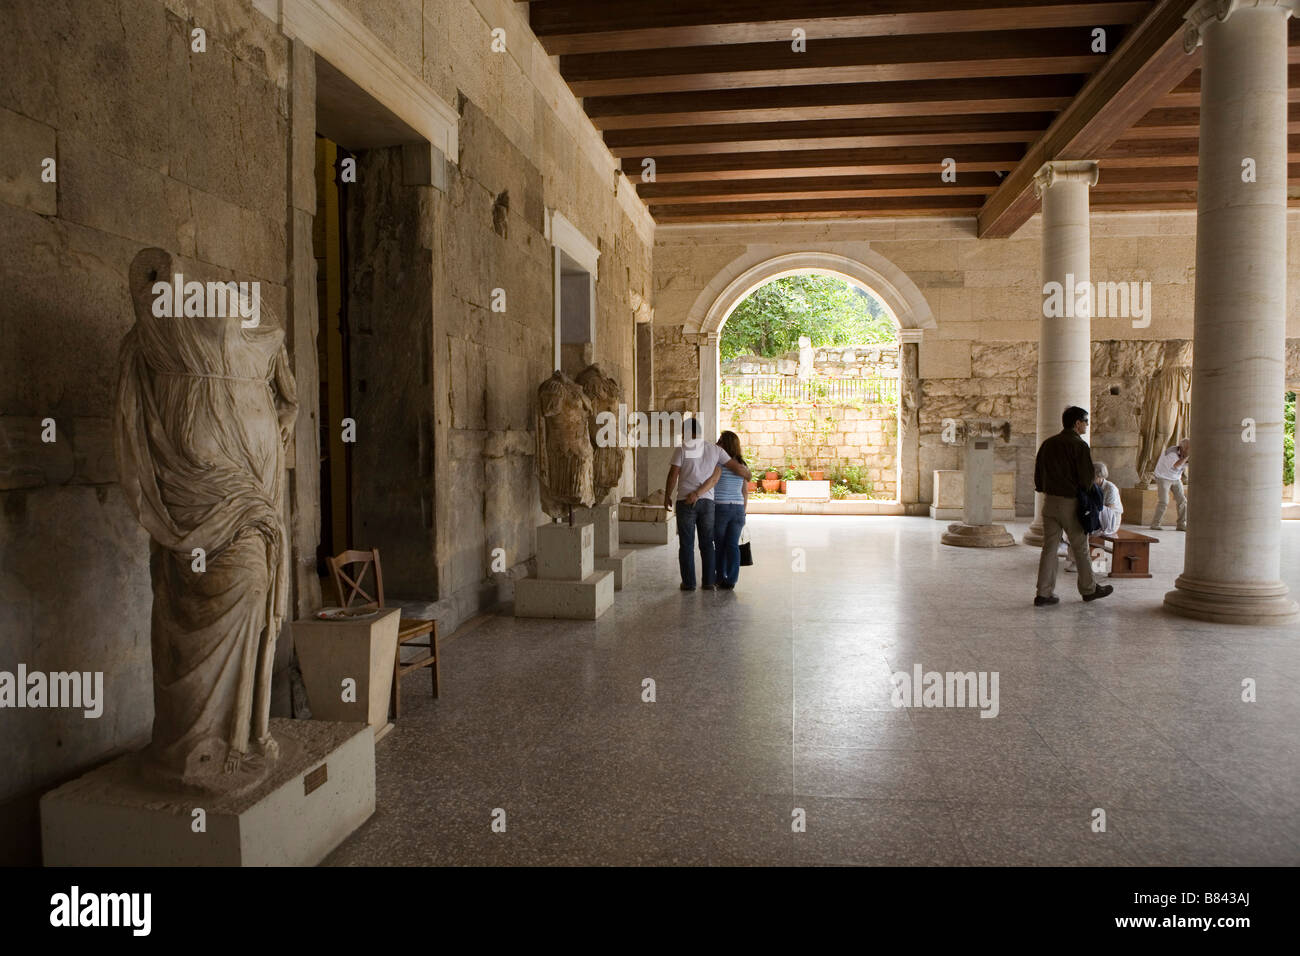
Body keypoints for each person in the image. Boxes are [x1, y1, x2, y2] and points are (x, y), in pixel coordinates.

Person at [1033, 406, 1113, 606]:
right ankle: (1089, 589)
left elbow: (1038, 474)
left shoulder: (1048, 443)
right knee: (1080, 547)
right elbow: (1087, 479)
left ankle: (1043, 593)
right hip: (1070, 503)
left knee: (1049, 548)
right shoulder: (1079, 445)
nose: (1087, 424)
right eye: (1085, 421)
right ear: (1077, 423)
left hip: (1049, 502)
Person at [664, 418, 750, 591]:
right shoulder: (715, 450)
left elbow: (673, 474)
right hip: (709, 503)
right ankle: (709, 582)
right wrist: (748, 474)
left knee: (687, 544)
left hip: (685, 501)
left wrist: (667, 495)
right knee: (707, 544)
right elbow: (737, 468)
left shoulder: (682, 448)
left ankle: (689, 583)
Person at [1065, 462, 1122, 573]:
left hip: (1110, 521)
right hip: (1096, 517)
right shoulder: (1090, 487)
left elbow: (1107, 509)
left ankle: (1077, 561)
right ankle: (1075, 559)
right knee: (1076, 525)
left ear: (1099, 476)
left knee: (1080, 526)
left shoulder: (1110, 488)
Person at [712, 431, 749, 591]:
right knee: (732, 545)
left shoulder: (719, 463)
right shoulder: (743, 465)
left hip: (721, 506)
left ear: (724, 444)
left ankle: (720, 577)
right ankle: (732, 579)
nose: (717, 443)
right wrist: (744, 511)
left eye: (720, 440)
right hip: (738, 508)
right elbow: (745, 491)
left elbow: (712, 482)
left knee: (720, 544)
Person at [1150, 438, 1189, 531]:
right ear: (1183, 448)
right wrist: (1187, 457)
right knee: (1164, 501)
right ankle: (1155, 524)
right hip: (1163, 477)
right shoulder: (1172, 452)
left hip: (1176, 478)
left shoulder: (1187, 453)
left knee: (1182, 501)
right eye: (1188, 448)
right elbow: (1176, 466)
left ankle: (1181, 524)